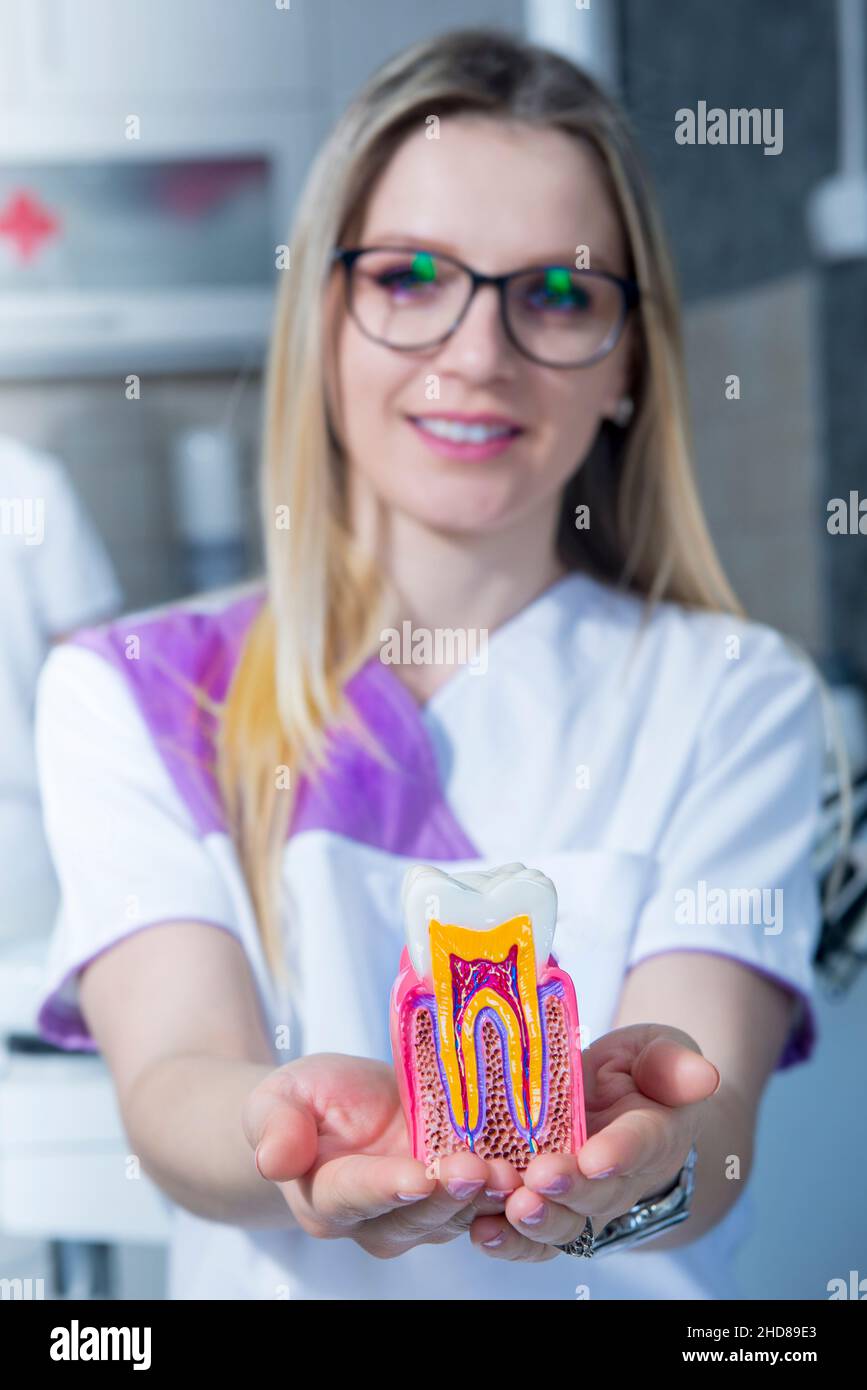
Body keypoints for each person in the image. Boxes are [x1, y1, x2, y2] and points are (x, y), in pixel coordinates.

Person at [33, 29, 827, 1299]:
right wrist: (295, 1136)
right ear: (328, 316)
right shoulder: (132, 692)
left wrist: (640, 1160)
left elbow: (708, 1138)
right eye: (411, 278)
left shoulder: (738, 699)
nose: (477, 353)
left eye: (557, 295)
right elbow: (175, 1083)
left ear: (629, 362)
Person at [0, 433, 121, 945]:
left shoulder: (26, 482)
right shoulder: (24, 480)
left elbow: (93, 680)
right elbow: (95, 689)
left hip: (19, 851)